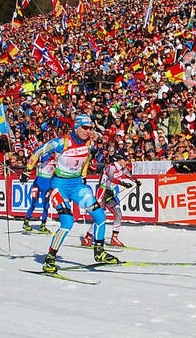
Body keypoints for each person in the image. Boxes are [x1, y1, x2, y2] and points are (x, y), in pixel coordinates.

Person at [29, 114, 119, 274]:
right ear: (76, 127)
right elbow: (37, 152)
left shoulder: (89, 143)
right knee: (67, 222)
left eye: (91, 128)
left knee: (100, 216)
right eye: (85, 128)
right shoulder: (61, 142)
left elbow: (87, 158)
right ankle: (50, 258)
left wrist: (83, 175)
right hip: (59, 187)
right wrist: (27, 170)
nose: (88, 131)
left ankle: (99, 252)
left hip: (77, 186)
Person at [80, 152, 137, 248]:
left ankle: (114, 238)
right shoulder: (112, 167)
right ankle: (87, 238)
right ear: (120, 160)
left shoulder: (122, 167)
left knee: (118, 213)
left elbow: (127, 173)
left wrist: (135, 181)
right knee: (100, 216)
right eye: (125, 160)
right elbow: (111, 178)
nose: (126, 162)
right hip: (102, 192)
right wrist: (123, 184)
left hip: (110, 192)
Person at [22, 146, 57, 234]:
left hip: (47, 183)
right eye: (53, 152)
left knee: (46, 205)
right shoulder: (45, 155)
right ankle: (26, 222)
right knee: (33, 203)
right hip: (38, 182)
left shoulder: (57, 159)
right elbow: (38, 156)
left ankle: (43, 225)